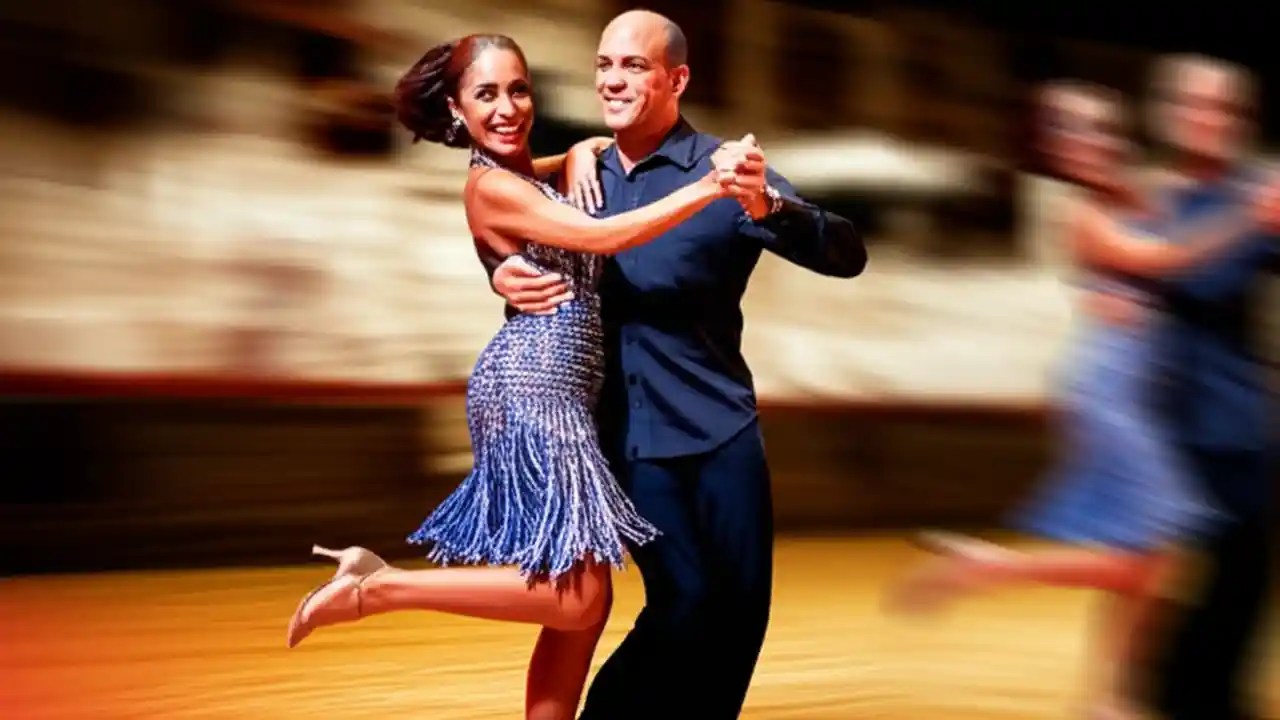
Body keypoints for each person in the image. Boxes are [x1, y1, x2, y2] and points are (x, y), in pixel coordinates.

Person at [284, 33, 763, 720]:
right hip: (534, 388)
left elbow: (570, 165)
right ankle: (379, 587)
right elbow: (605, 236)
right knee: (579, 599)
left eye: (518, 89)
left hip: (563, 389)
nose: (507, 107)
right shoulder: (492, 185)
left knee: (580, 610)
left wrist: (579, 151)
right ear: (457, 109)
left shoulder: (517, 172)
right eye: (486, 94)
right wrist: (711, 186)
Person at [482, 10, 867, 719]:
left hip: (722, 429)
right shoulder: (581, 173)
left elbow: (846, 254)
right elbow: (489, 205)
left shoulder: (726, 171)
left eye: (633, 66)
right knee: (685, 603)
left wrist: (768, 204)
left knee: (741, 611)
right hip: (627, 443)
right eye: (604, 65)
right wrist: (497, 271)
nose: (612, 80)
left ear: (676, 79)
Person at [887, 82, 1256, 720]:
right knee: (1157, 562)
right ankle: (994, 570)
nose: (1087, 142)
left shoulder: (1146, 192)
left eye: (1097, 127)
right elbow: (1166, 258)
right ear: (1056, 153)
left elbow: (1176, 231)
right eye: (1068, 133)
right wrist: (1250, 217)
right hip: (1111, 395)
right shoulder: (1081, 214)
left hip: (1143, 394)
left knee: (1138, 556)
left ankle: (1107, 698)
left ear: (1120, 132)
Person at [1140, 54, 1278, 720]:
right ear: (1166, 113)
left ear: (1242, 120)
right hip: (1159, 429)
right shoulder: (1150, 200)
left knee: (1239, 587)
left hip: (1234, 427)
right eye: (1193, 103)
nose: (1207, 117)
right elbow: (1168, 278)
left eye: (1223, 106)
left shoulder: (1259, 196)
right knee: (1159, 592)